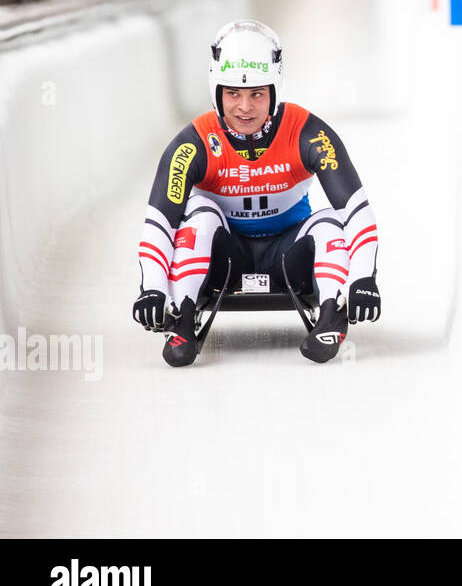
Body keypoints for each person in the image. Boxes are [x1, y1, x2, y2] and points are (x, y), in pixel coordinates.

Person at [133, 21, 381, 367]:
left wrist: (364, 277)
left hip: (288, 256)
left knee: (328, 221)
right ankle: (182, 319)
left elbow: (356, 211)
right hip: (223, 258)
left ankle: (332, 316)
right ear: (217, 92)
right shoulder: (193, 143)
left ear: (274, 92)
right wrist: (153, 289)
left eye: (257, 95)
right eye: (233, 93)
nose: (245, 108)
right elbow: (159, 222)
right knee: (199, 212)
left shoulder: (308, 132)